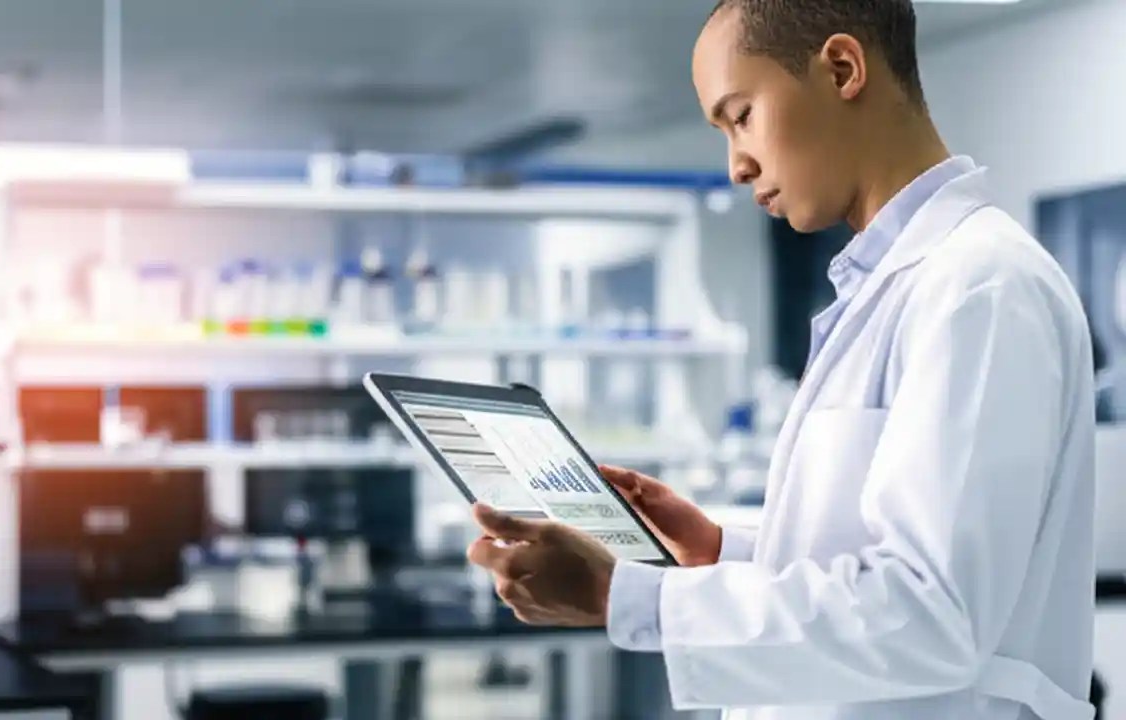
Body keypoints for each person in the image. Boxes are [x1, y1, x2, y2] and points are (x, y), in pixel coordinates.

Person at [466, 1, 1097, 719]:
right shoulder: (897, 288)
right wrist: (720, 551)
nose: (736, 166)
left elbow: (932, 612)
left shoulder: (979, 285)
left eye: (741, 116)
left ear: (841, 68)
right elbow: (881, 554)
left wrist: (626, 594)